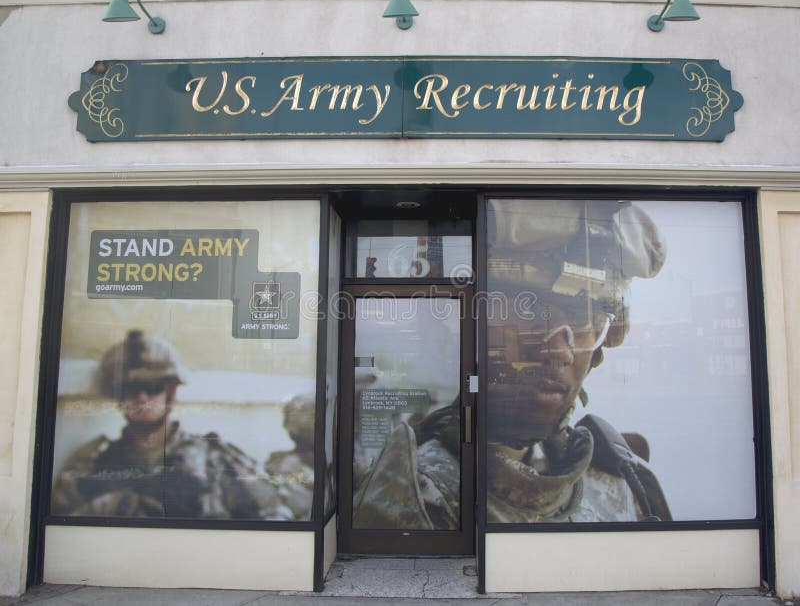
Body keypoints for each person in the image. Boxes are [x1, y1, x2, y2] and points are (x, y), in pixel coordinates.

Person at [352, 200, 672, 527]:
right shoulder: (416, 503)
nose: (560, 350)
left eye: (582, 322)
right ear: (469, 334)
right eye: (530, 316)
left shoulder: (624, 486)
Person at [51, 330, 293, 519]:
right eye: (130, 388)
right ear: (118, 396)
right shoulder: (92, 464)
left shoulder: (216, 458)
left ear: (172, 393)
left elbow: (275, 512)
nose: (142, 398)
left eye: (154, 387)